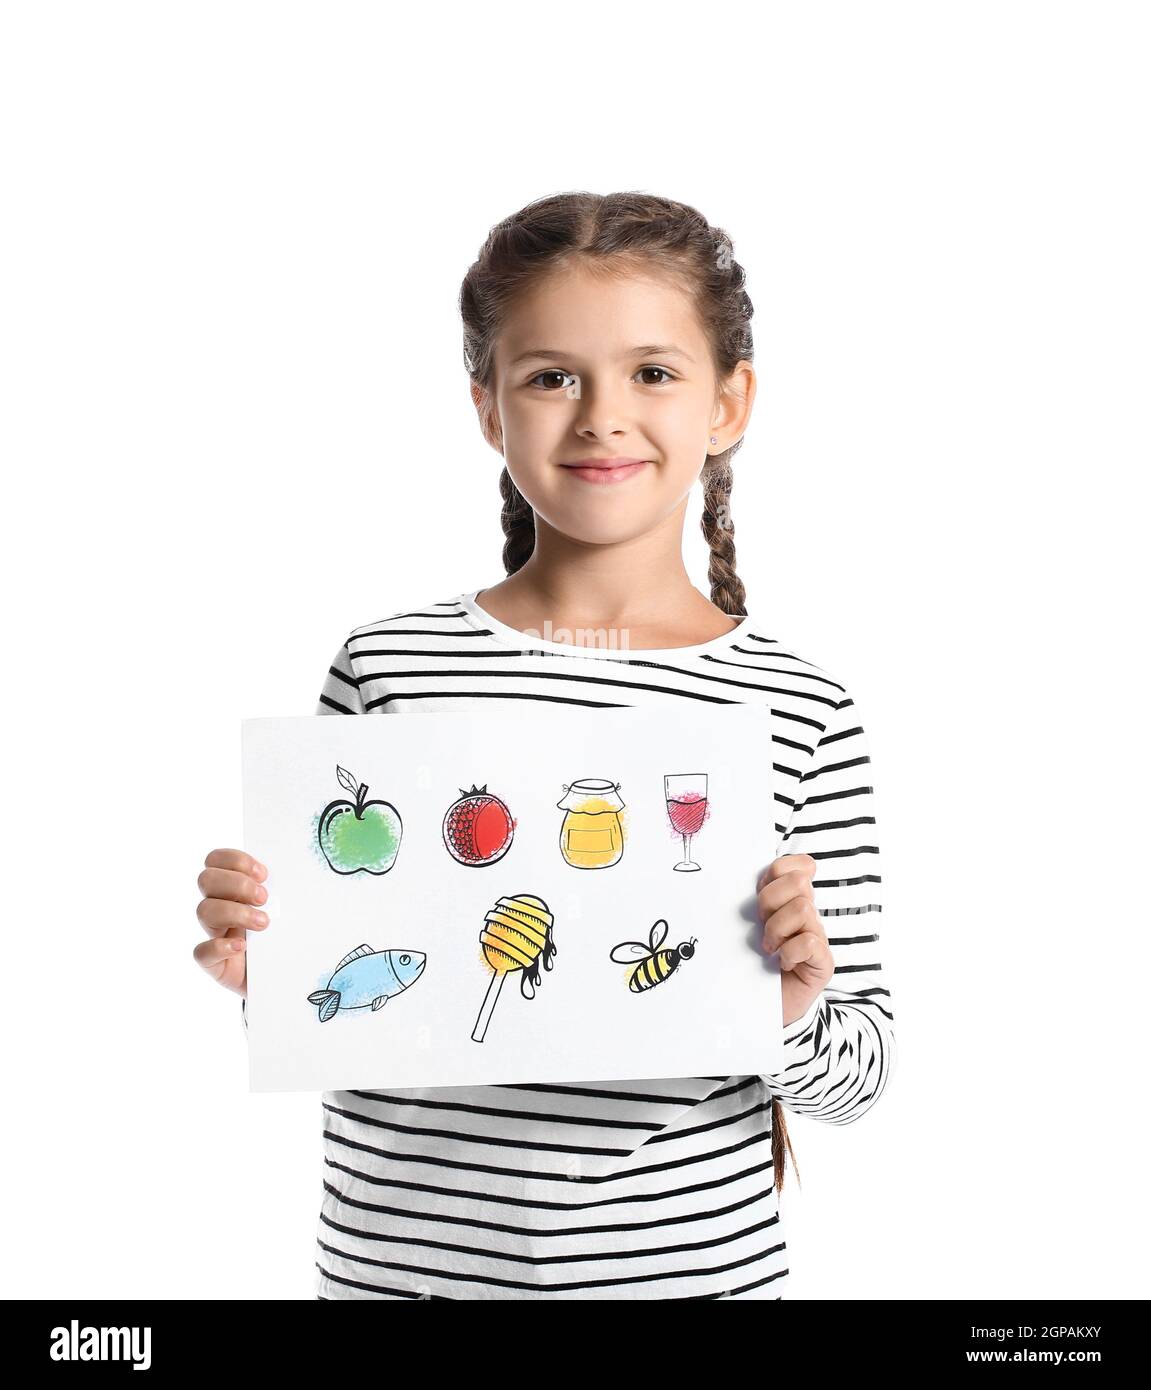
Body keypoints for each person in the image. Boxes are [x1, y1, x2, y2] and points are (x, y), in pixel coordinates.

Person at [194, 190, 896, 1300]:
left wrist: (788, 1008)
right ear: (488, 407)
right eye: (550, 375)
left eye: (652, 372)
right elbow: (344, 1003)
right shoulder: (388, 666)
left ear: (729, 401)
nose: (599, 415)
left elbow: (859, 1076)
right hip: (402, 1282)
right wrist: (262, 969)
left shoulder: (797, 707)